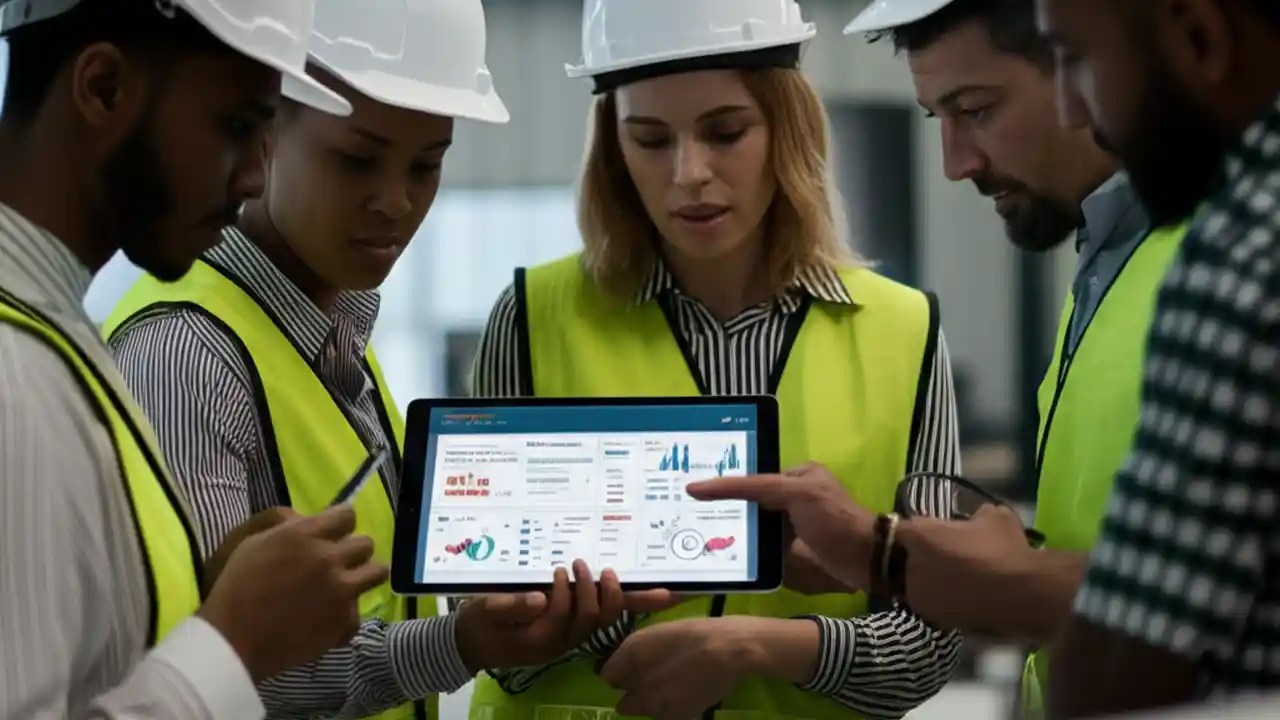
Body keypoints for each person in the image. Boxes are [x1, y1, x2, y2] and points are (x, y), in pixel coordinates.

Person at [100, 1, 671, 719]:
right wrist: (457, 643)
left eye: (427, 165)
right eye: (357, 160)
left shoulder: (333, 342)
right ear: (263, 126)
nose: (396, 202)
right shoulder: (184, 356)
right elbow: (203, 673)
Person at [467, 0, 965, 717]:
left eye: (725, 133)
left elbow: (929, 647)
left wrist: (760, 645)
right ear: (613, 147)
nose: (689, 173)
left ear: (787, 129)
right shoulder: (532, 317)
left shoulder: (904, 330)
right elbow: (482, 623)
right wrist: (611, 622)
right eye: (650, 140)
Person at [0, 0, 392, 717]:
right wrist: (233, 642)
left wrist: (186, 592)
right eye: (237, 127)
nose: (255, 178)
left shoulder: (52, 336)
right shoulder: (14, 376)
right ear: (103, 88)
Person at [841, 0, 1190, 712]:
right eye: (938, 118)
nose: (955, 164)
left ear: (1083, 63)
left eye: (976, 110)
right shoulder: (1105, 264)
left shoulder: (1233, 262)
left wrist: (1014, 583)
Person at [1033, 0, 1280, 716]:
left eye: (1077, 59)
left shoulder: (1246, 255)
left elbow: (1126, 669)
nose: (1072, 110)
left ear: (1201, 39)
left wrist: (990, 584)